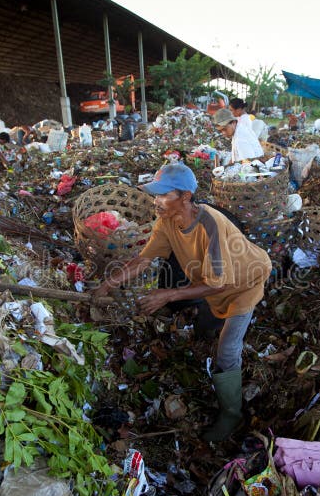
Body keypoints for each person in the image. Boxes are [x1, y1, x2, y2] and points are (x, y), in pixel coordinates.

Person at [93, 163, 272, 442]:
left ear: (186, 197)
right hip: (215, 283)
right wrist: (107, 284)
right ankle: (207, 334)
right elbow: (143, 259)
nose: (157, 201)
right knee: (206, 322)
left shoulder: (210, 225)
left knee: (227, 349)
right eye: (155, 195)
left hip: (243, 283)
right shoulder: (166, 222)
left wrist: (166, 295)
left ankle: (232, 414)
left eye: (164, 195)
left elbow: (217, 283)